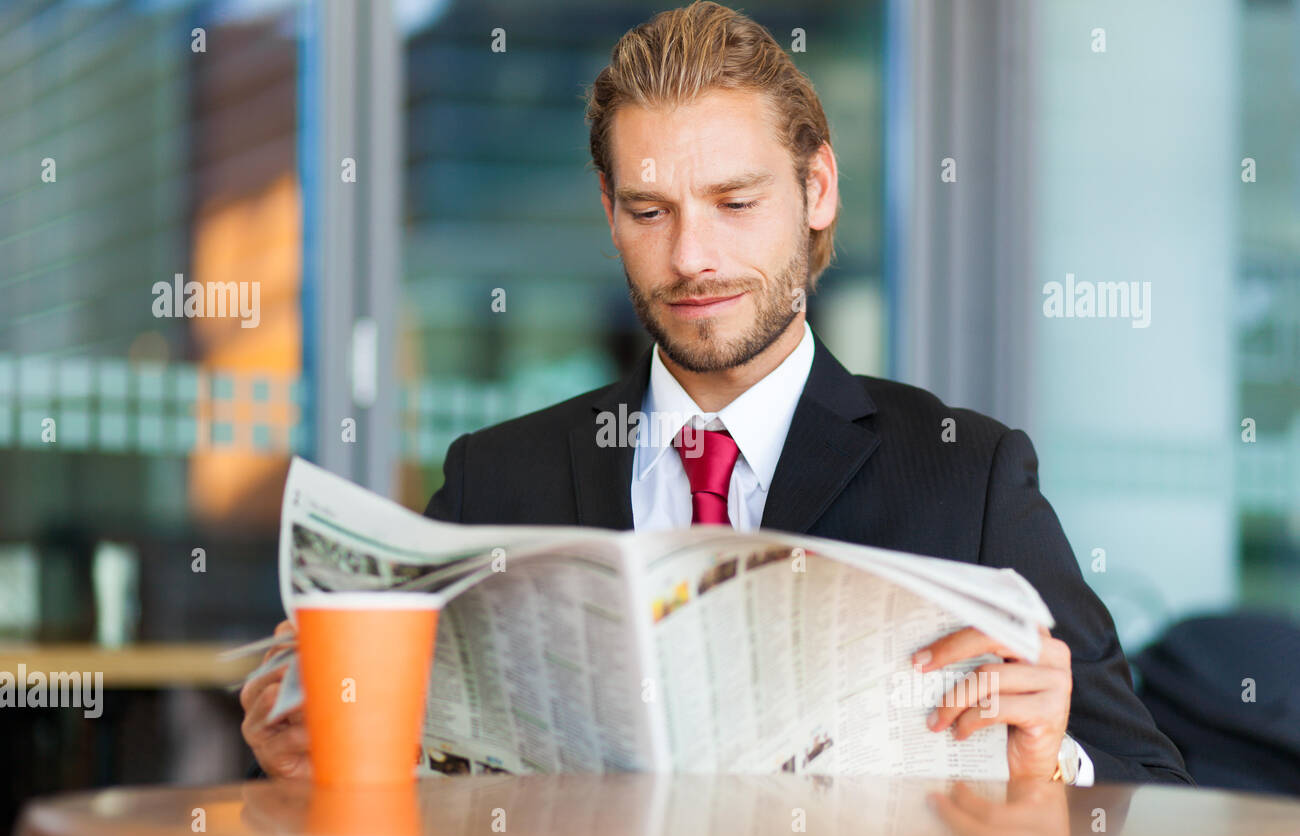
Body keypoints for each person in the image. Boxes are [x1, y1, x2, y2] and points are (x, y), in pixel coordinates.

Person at [243, 1, 1190, 786]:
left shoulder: (967, 476)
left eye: (736, 204)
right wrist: (317, 775)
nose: (693, 257)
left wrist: (1052, 762)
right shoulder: (496, 478)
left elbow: (1158, 803)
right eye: (651, 212)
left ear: (816, 189)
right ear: (610, 214)